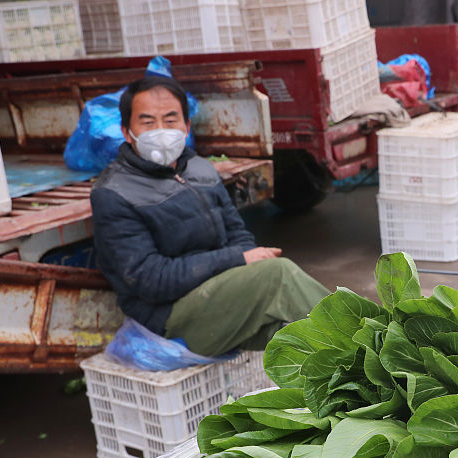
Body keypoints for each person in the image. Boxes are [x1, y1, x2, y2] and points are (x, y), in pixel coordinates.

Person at [90, 76, 330, 357]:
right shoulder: (114, 193)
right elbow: (150, 279)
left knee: (296, 339)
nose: (161, 130)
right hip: (169, 319)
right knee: (277, 275)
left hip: (218, 297)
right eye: (147, 122)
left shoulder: (199, 169)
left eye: (170, 120)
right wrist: (238, 260)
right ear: (127, 131)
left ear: (186, 125)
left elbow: (238, 234)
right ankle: (368, 341)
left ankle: (368, 382)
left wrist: (244, 261)